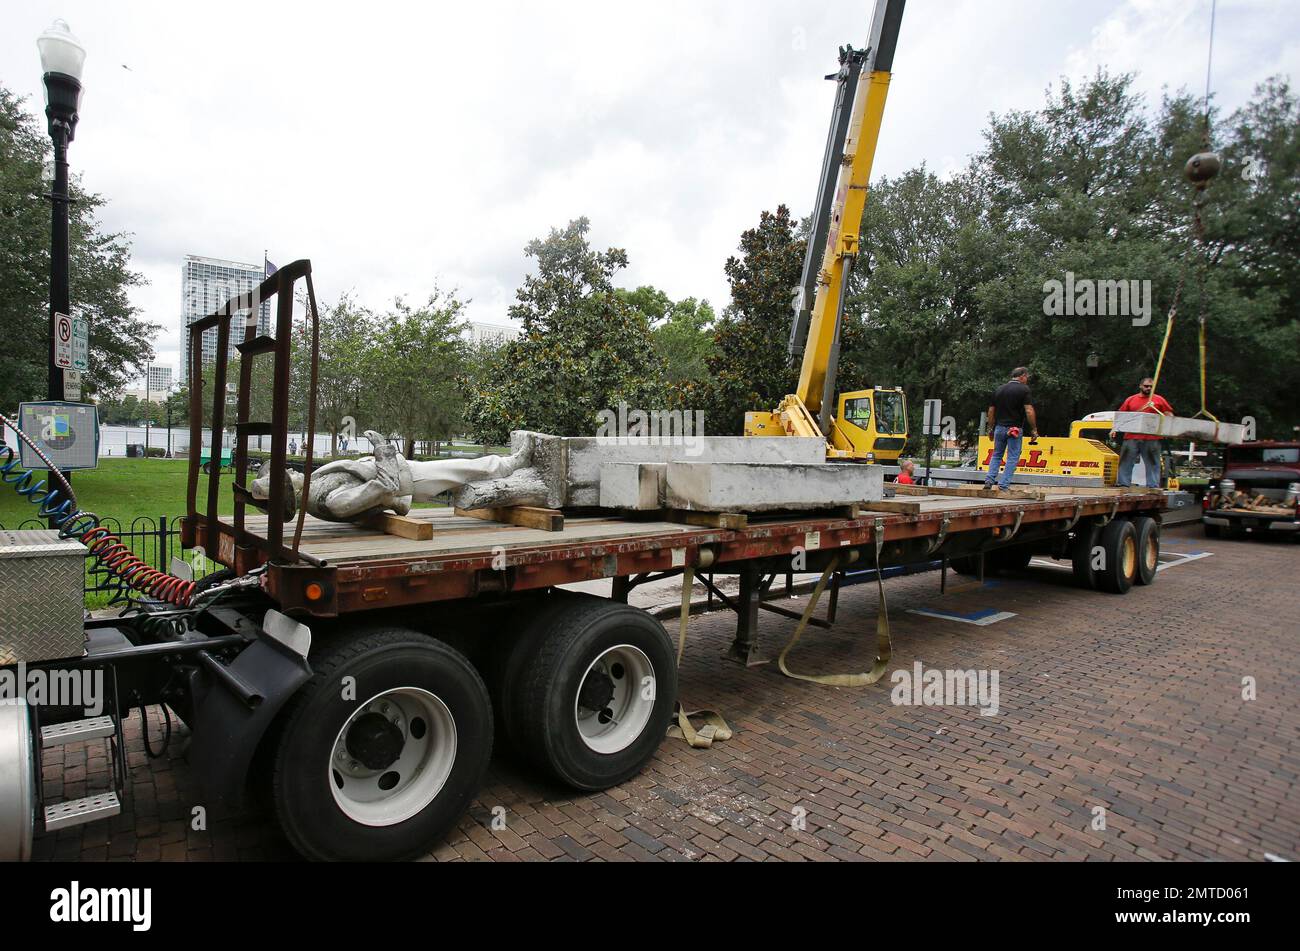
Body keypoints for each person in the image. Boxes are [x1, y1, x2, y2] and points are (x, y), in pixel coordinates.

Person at [984, 367, 1039, 491]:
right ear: (1022, 376)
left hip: (999, 428)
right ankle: (1004, 485)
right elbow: (1029, 410)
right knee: (1012, 457)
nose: (1027, 380)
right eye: (1027, 377)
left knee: (997, 455)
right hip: (1014, 429)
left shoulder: (999, 390)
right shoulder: (1024, 390)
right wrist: (1034, 429)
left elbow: (991, 411)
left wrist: (990, 429)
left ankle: (989, 480)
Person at [1111, 377, 1173, 488]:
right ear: (1140, 386)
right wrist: (1114, 429)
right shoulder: (1131, 399)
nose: (1148, 388)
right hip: (1131, 436)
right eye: (1146, 386)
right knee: (1126, 461)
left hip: (1152, 438)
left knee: (1153, 463)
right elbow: (1121, 415)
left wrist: (1170, 428)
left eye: (1151, 387)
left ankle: (1153, 486)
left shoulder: (1159, 400)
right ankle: (1123, 484)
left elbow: (1168, 414)